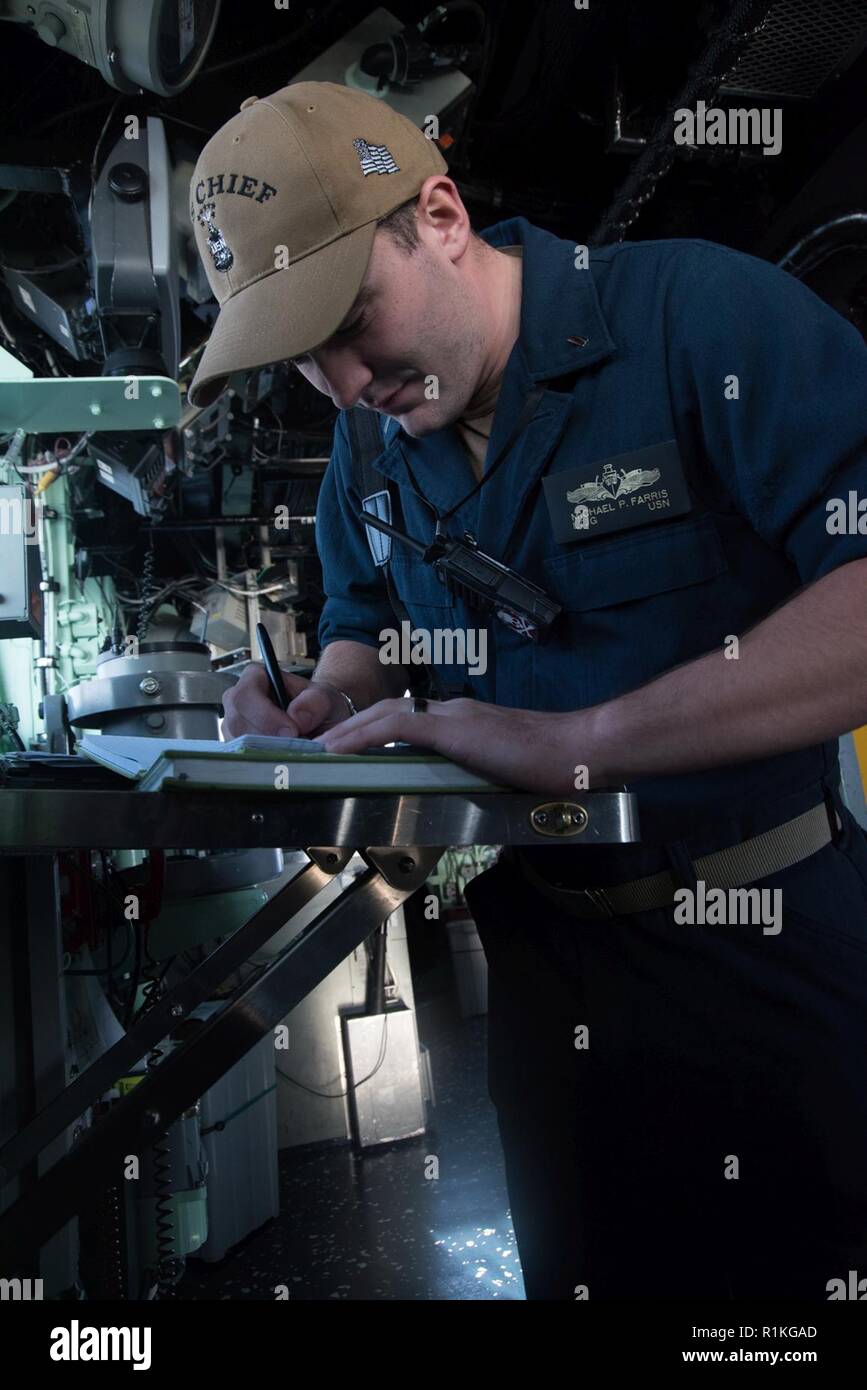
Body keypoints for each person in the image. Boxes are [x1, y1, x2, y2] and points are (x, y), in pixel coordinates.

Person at [191, 81, 867, 1299]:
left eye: (352, 318)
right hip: (554, 965)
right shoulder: (368, 443)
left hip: (766, 943)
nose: (345, 384)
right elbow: (366, 622)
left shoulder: (697, 318)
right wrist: (320, 709)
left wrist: (585, 740)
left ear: (440, 216)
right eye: (306, 358)